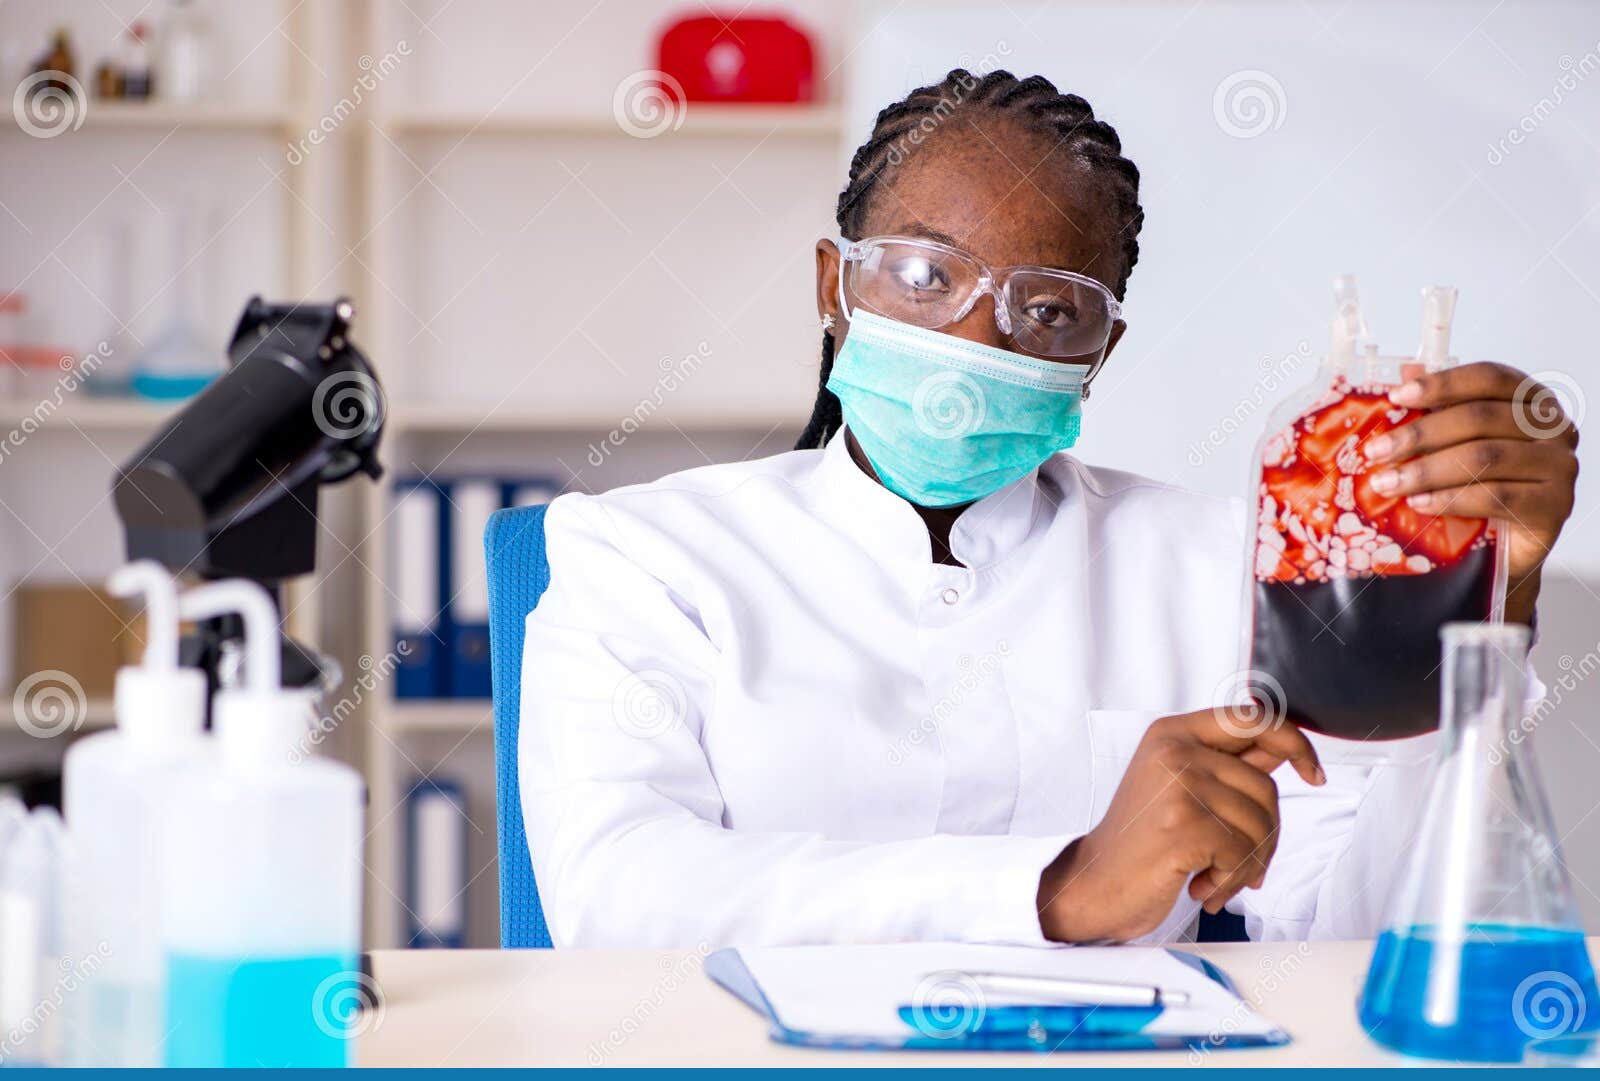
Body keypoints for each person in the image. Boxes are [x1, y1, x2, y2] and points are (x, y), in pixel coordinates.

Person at [519, 69, 1578, 948]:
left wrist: (1489, 598)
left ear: (1099, 351)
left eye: (1046, 309)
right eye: (925, 274)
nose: (976, 343)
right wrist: (1060, 888)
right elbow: (618, 897)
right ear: (832, 287)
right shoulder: (643, 554)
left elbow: (1363, 936)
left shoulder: (1218, 564)